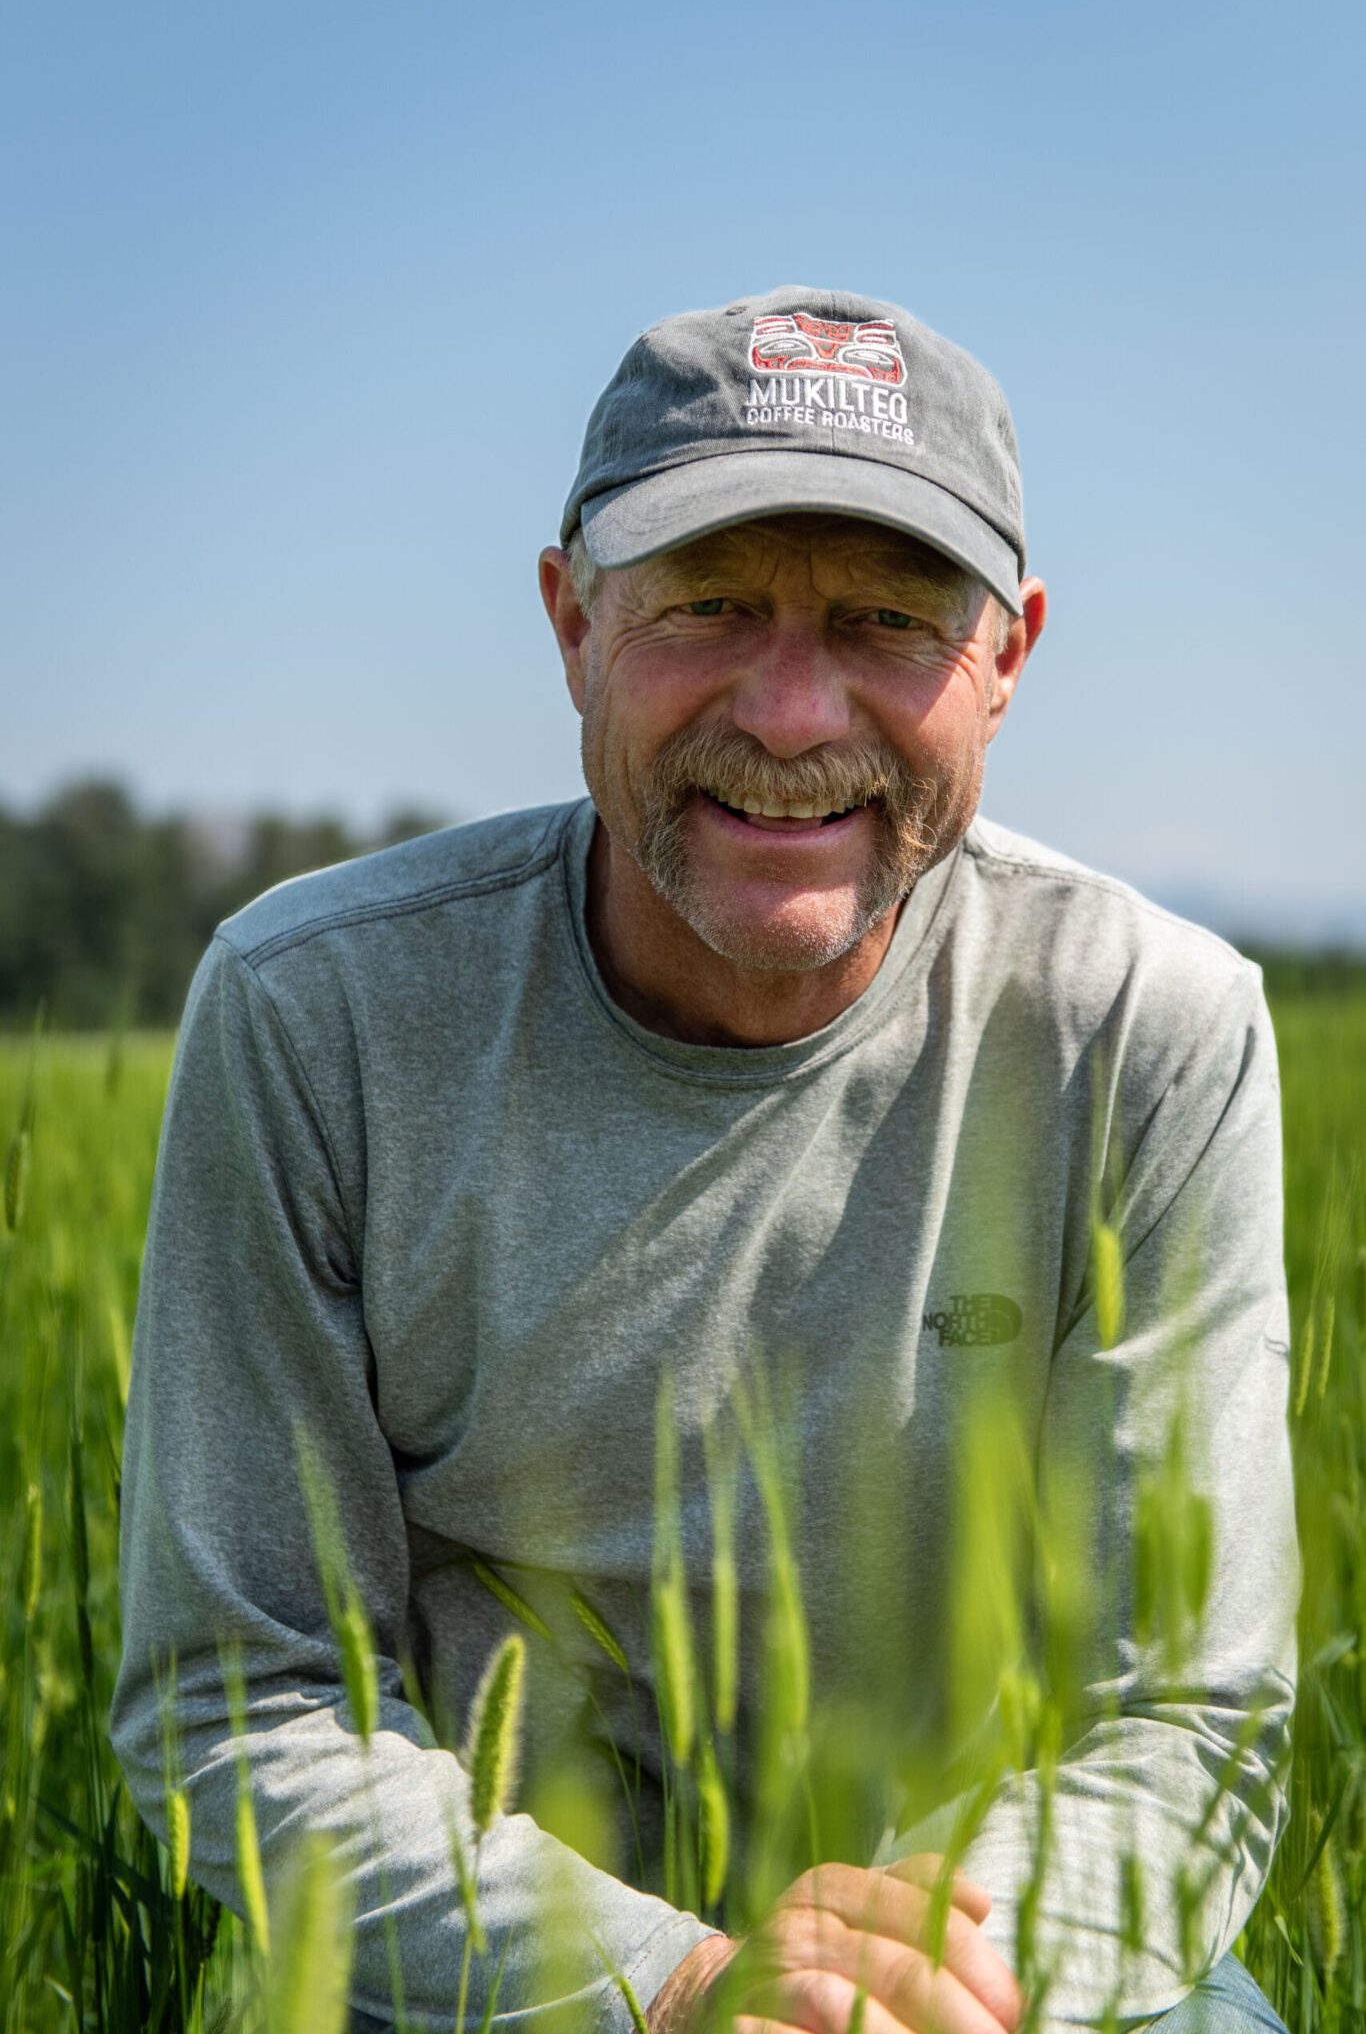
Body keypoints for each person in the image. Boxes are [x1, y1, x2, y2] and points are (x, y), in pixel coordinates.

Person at [111, 286, 1299, 2034]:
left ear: (1007, 659)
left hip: (971, 1964)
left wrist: (906, 1993)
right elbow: (238, 1697)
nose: (795, 709)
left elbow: (1190, 1712)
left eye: (889, 620)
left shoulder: (1148, 1027)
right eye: (709, 605)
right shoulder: (318, 1014)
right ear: (569, 623)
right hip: (468, 1966)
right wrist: (661, 1986)